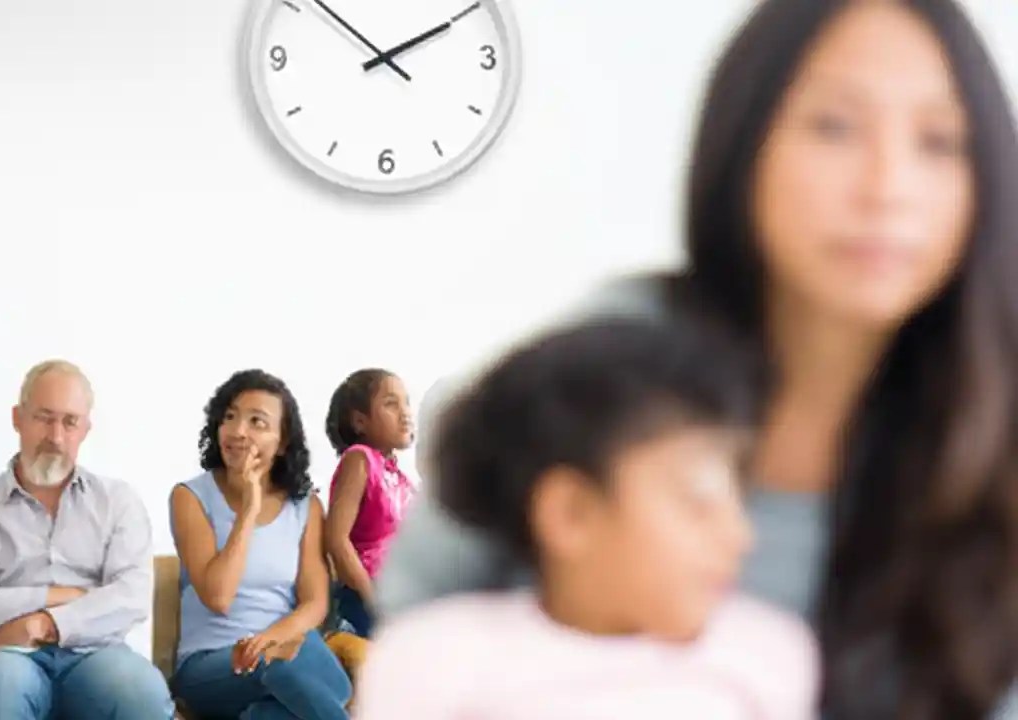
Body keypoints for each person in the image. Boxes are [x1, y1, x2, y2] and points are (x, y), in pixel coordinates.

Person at [377, 1, 1018, 718]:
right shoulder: (617, 361)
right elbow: (415, 616)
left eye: (940, 141)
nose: (888, 188)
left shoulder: (995, 435)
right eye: (835, 126)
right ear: (746, 140)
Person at [357, 319, 818, 719]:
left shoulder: (766, 654)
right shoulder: (436, 662)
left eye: (739, 502)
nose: (739, 536)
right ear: (571, 513)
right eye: (699, 503)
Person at [0, 360, 174, 720]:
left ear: (86, 429)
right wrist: (59, 595)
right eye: (44, 418)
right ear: (17, 418)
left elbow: (132, 597)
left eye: (70, 422)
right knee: (1, 689)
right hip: (7, 656)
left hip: (96, 654)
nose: (56, 436)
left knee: (142, 692)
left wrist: (45, 624)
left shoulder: (118, 501)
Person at [170, 369, 352, 720]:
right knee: (296, 672)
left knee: (275, 703)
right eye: (230, 417)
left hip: (286, 652)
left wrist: (271, 638)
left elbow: (315, 602)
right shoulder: (190, 497)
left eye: (257, 422)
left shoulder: (305, 506)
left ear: (282, 442)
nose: (238, 431)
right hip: (211, 666)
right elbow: (219, 597)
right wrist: (248, 511)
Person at [323, 369, 416, 638]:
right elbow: (337, 539)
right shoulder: (359, 459)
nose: (405, 413)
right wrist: (374, 600)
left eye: (406, 402)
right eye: (391, 404)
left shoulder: (401, 478)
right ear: (360, 421)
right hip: (365, 598)